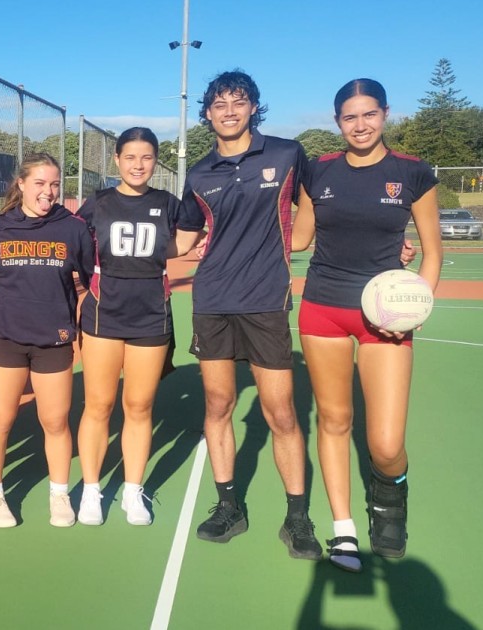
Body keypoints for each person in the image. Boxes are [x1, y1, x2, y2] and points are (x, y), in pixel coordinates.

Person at [291, 79, 442, 572]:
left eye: (369, 114)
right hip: (323, 309)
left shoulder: (412, 173)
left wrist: (414, 310)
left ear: (385, 115)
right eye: (350, 117)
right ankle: (344, 530)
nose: (360, 125)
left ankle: (390, 500)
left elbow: (434, 251)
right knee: (334, 421)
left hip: (386, 319)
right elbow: (299, 238)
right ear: (338, 122)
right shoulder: (319, 171)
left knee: (385, 443)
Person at [178, 70, 323, 559]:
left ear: (254, 108)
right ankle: (228, 507)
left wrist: (386, 242)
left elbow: (323, 201)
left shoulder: (286, 154)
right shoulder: (198, 173)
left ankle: (298, 519)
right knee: (218, 407)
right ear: (207, 113)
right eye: (219, 105)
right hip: (212, 300)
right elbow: (181, 238)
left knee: (280, 412)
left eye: (239, 103)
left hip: (265, 300)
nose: (229, 111)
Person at [75, 128, 201, 527]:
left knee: (140, 406)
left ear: (155, 161)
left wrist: (171, 250)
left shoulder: (167, 203)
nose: (138, 165)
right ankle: (91, 491)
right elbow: (74, 245)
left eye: (146, 158)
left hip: (151, 314)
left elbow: (182, 241)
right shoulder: (98, 203)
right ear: (116, 160)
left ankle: (132, 490)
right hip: (103, 315)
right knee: (98, 405)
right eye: (130, 157)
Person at [0, 153, 95, 529]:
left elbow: (94, 278)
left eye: (55, 184)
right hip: (7, 337)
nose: (48, 192)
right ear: (22, 184)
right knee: (0, 418)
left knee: (56, 420)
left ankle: (59, 494)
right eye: (40, 183)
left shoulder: (72, 228)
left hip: (53, 338)